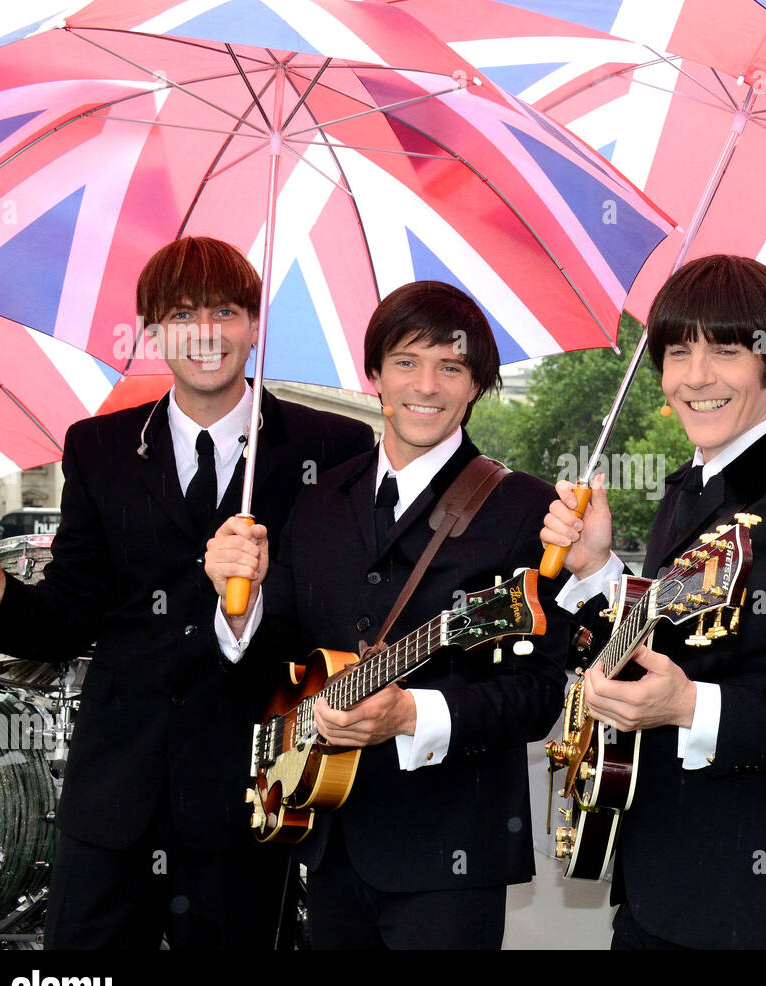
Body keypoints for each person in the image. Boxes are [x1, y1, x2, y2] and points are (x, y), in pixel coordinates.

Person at [0, 237, 374, 948]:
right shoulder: (101, 448)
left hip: (252, 789)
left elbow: (339, 618)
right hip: (115, 793)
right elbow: (64, 622)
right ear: (153, 331)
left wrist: (254, 599)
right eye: (183, 313)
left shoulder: (330, 448)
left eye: (225, 310)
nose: (206, 332)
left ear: (253, 327)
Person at [205, 281, 568, 950]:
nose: (425, 384)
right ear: (373, 375)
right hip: (322, 832)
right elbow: (277, 656)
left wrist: (411, 715)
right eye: (405, 361)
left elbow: (540, 694)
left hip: (450, 857)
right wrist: (239, 605)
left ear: (475, 387)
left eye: (450, 366)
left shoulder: (524, 509)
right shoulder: (315, 504)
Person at [541, 254, 766, 949]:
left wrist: (693, 708)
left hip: (755, 904)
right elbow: (647, 652)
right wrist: (596, 570)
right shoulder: (686, 488)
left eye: (726, 349)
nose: (695, 377)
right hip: (655, 886)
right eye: (678, 351)